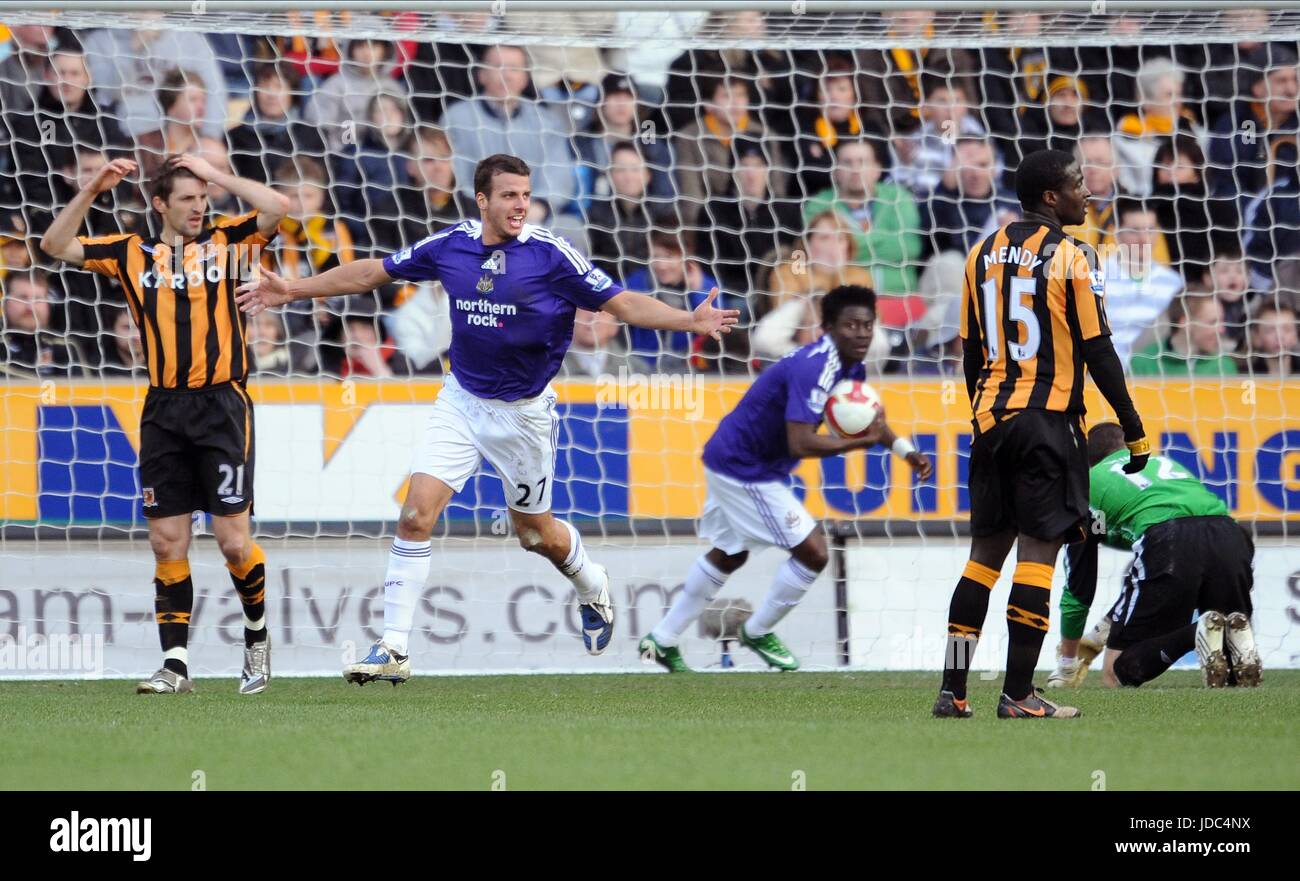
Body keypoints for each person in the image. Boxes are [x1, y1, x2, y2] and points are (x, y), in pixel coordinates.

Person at [234, 153, 738, 684]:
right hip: (461, 400)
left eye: (525, 194)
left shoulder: (551, 255)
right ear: (483, 200)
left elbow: (621, 303)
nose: (520, 205)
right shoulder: (452, 244)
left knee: (535, 534)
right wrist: (292, 289)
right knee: (414, 515)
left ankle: (592, 584)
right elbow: (372, 273)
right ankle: (395, 647)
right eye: (509, 195)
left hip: (523, 416)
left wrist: (688, 319)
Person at [40, 154, 290, 696]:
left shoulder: (231, 240)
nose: (199, 208)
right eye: (187, 199)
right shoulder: (131, 253)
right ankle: (175, 666)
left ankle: (256, 636)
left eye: (203, 199)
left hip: (223, 406)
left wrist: (214, 174)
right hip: (163, 411)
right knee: (166, 539)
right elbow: (55, 246)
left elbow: (279, 207)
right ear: (159, 205)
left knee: (231, 541)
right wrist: (92, 188)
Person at [933, 148, 1149, 720]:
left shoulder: (979, 254)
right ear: (1051, 197)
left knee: (982, 560)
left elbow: (971, 352)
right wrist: (1132, 427)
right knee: (1037, 556)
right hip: (1049, 421)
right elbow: (1098, 349)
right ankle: (1019, 694)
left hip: (991, 420)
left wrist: (983, 413)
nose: (1087, 193)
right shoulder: (1074, 257)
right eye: (1078, 184)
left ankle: (953, 692)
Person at [640, 285, 933, 672]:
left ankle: (660, 640)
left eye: (868, 325)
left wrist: (902, 450)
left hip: (739, 458)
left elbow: (872, 420)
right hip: (744, 468)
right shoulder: (815, 367)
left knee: (730, 553)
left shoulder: (849, 364)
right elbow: (800, 442)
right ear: (828, 327)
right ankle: (758, 631)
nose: (861, 333)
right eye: (851, 325)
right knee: (814, 553)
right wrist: (859, 443)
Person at [1049, 423, 1260, 689]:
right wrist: (1095, 637)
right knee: (1231, 666)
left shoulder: (1087, 484)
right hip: (1231, 534)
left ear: (1087, 461)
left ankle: (1197, 631)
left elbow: (1078, 590)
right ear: (1127, 447)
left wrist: (1068, 664)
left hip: (1169, 540)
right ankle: (1231, 636)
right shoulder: (1160, 464)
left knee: (1117, 671)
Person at [1129, 294, 1239, 376]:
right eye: (1213, 322)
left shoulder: (1223, 366)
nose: (1222, 329)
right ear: (1185, 323)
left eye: (1221, 321)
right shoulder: (1142, 364)